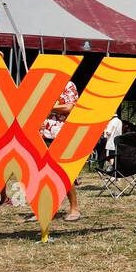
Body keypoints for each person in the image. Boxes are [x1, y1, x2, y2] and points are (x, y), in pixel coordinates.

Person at [36, 77, 82, 221]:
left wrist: (47, 107)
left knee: (64, 174)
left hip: (60, 134)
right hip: (43, 135)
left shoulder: (68, 85)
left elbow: (69, 107)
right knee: (44, 174)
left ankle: (74, 208)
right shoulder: (44, 86)